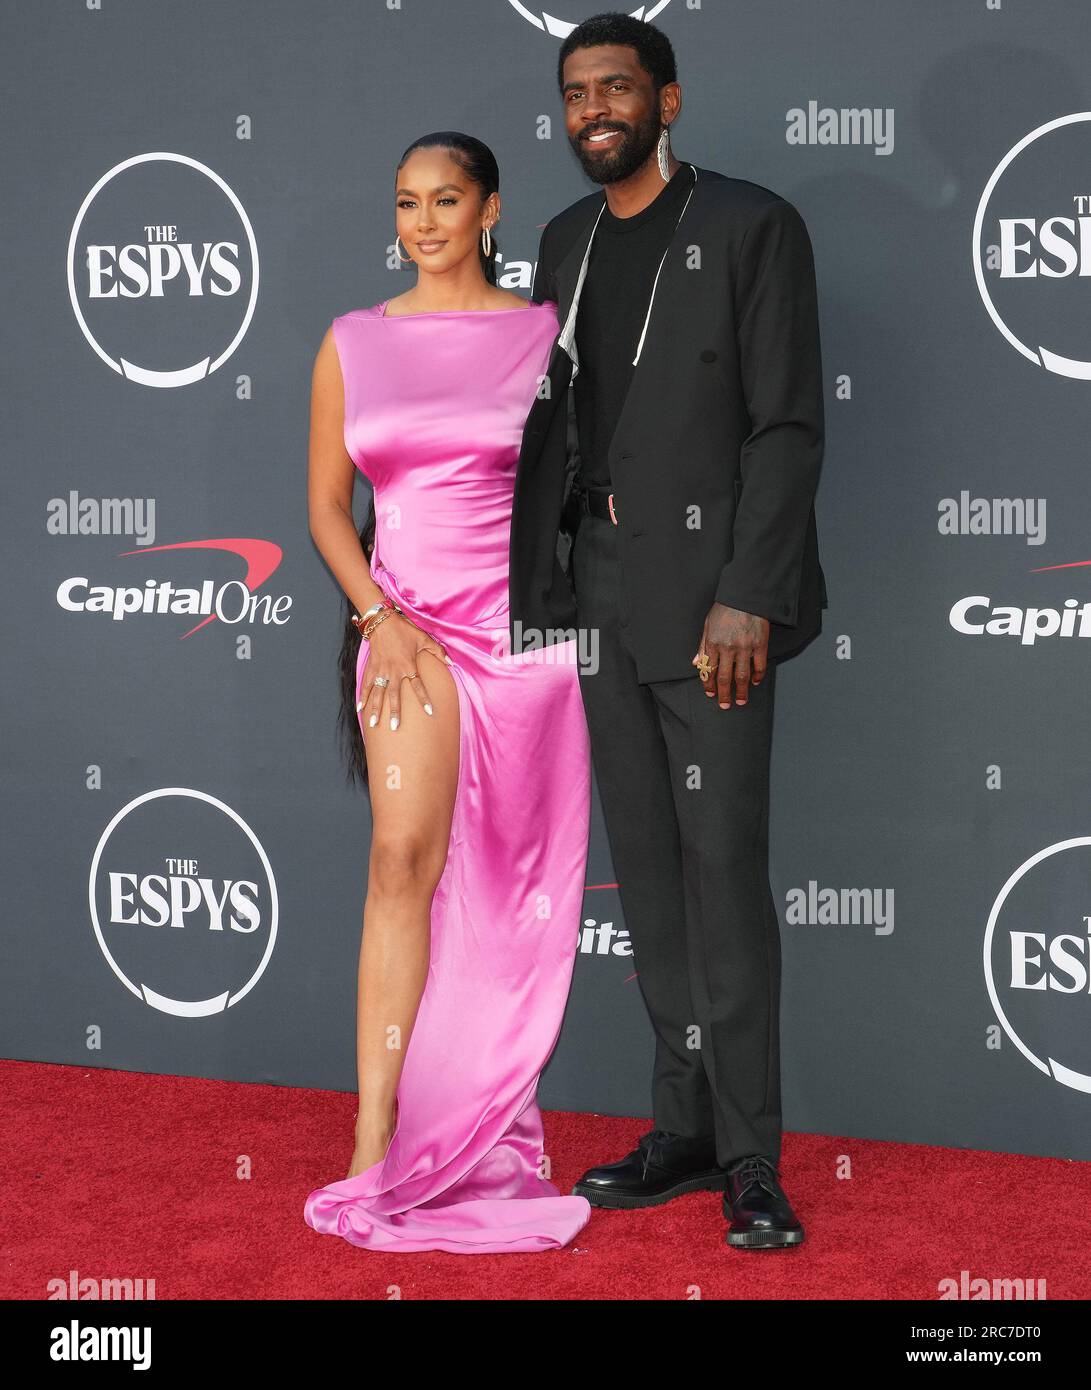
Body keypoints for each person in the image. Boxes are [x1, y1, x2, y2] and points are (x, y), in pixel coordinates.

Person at [509, 13, 828, 1249]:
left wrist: (748, 591)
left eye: (616, 88)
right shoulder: (563, 240)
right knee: (645, 870)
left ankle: (750, 1157)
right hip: (598, 591)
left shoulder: (750, 225)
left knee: (721, 873)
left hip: (712, 607)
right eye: (576, 92)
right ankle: (682, 1127)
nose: (594, 110)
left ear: (667, 101)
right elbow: (549, 423)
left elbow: (785, 425)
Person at [303, 131, 593, 1254]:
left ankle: (482, 1109)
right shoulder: (352, 341)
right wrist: (378, 618)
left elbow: (584, 484)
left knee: (510, 890)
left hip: (524, 647)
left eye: (444, 201)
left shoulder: (543, 334)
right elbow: (327, 508)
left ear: (489, 209)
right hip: (406, 634)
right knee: (399, 861)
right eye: (405, 203)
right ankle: (375, 1131)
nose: (422, 223)